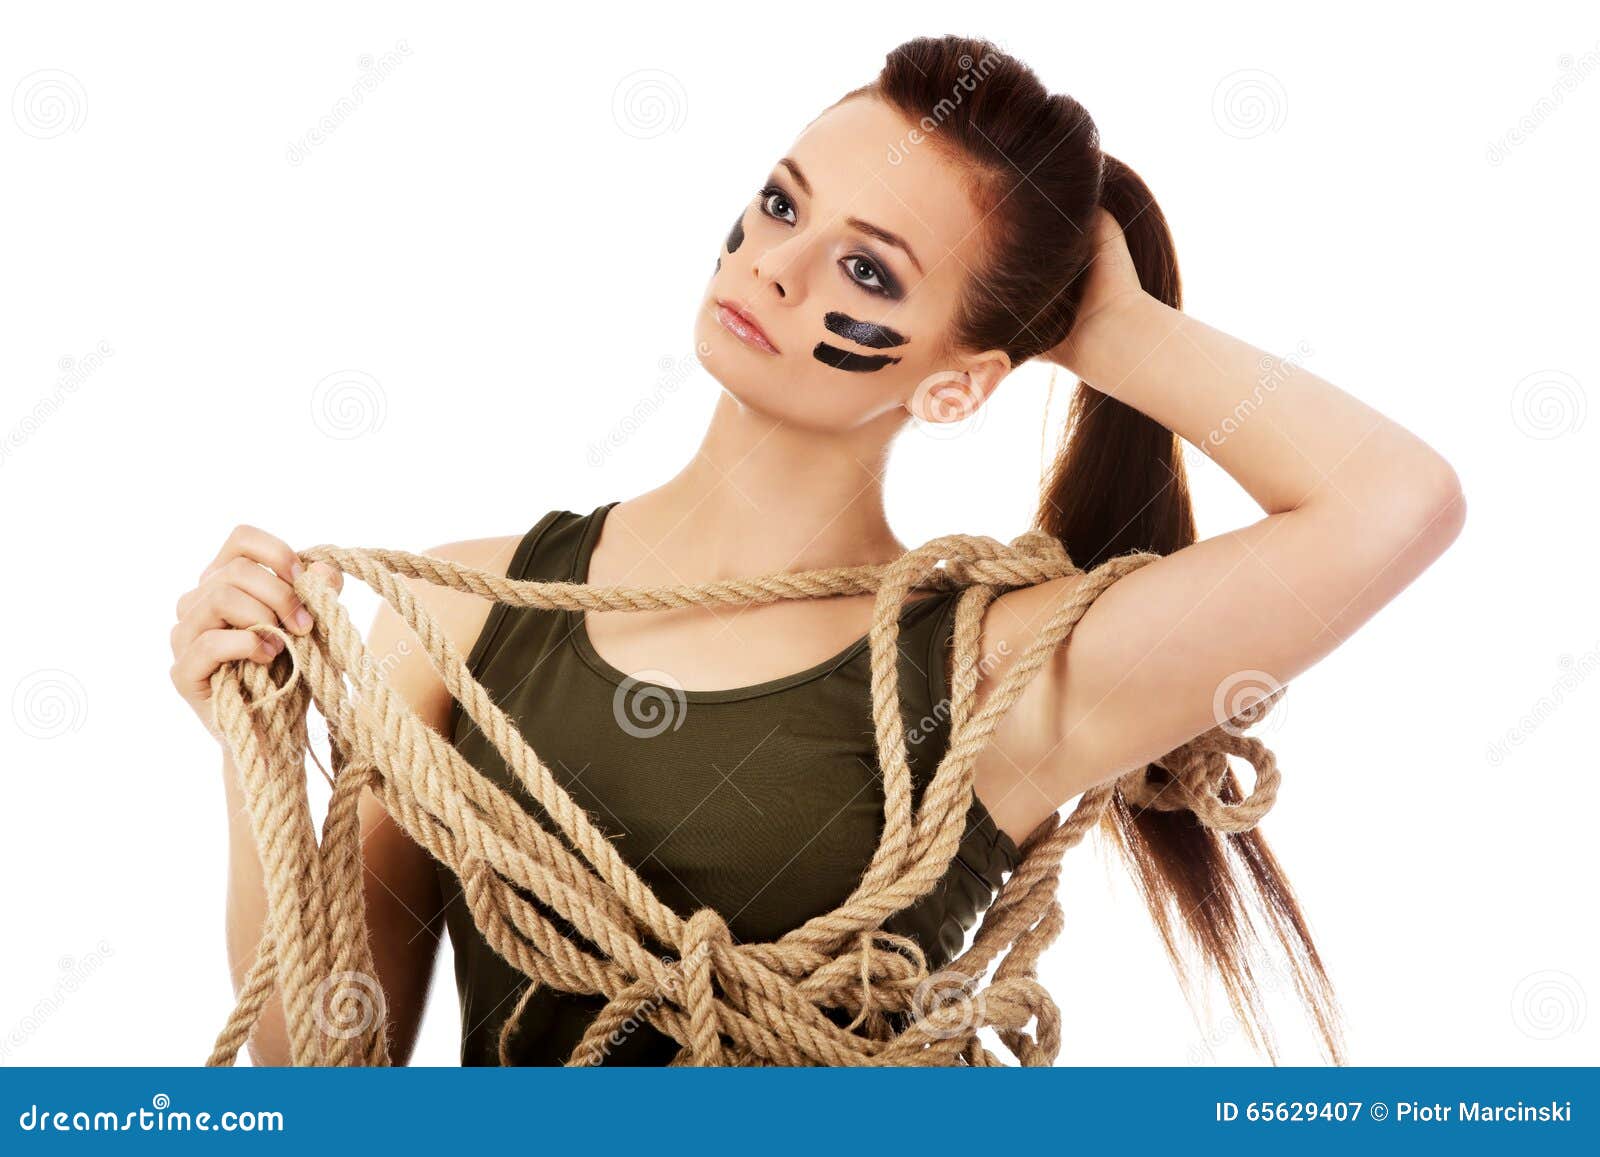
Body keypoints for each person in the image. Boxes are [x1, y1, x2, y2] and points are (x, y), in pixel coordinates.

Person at [168, 34, 1465, 1066]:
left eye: (871, 270)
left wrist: (1108, 333)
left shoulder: (996, 672)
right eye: (784, 201)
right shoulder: (457, 613)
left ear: (961, 387)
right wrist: (260, 750)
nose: (780, 266)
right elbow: (327, 1077)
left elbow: (1395, 505)